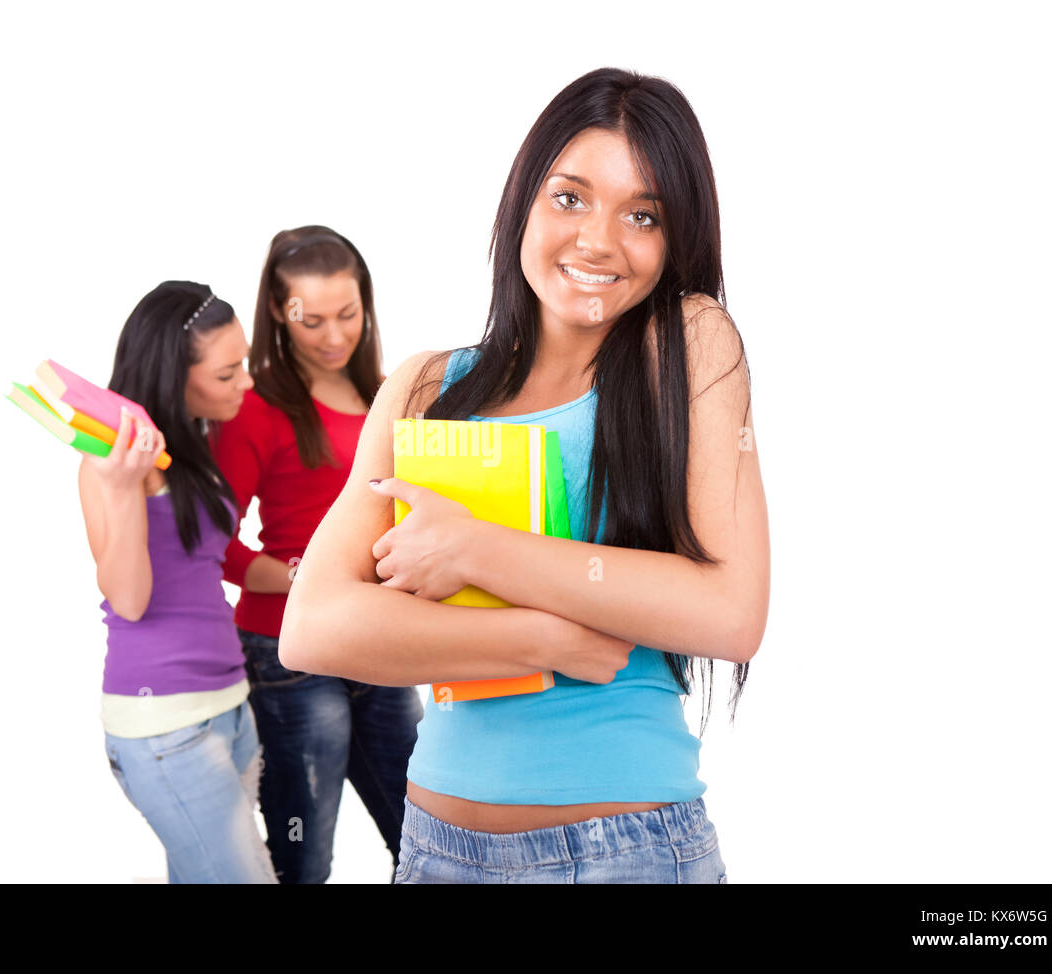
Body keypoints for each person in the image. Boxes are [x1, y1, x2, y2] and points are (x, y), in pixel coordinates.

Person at [278, 68, 770, 883]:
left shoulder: (687, 344)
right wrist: (537, 639)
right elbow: (316, 628)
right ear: (523, 204)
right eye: (570, 198)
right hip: (434, 844)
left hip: (623, 852)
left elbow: (730, 611)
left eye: (642, 215)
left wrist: (476, 552)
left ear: (675, 237)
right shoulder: (426, 387)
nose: (598, 240)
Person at [211, 227, 424, 884]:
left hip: (380, 644)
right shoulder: (255, 408)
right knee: (303, 859)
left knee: (425, 839)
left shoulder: (391, 395)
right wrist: (299, 577)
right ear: (278, 312)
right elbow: (210, 539)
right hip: (288, 655)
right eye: (312, 320)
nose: (334, 336)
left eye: (348, 315)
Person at [79, 281, 277, 884]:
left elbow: (209, 565)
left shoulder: (189, 448)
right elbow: (129, 599)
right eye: (228, 372)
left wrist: (330, 573)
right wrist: (121, 488)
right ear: (174, 374)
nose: (246, 383)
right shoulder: (111, 463)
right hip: (167, 725)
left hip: (232, 708)